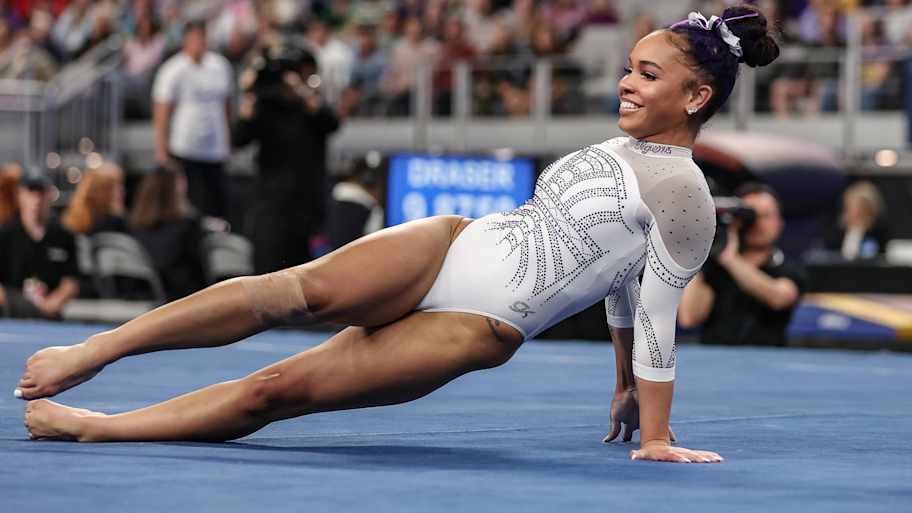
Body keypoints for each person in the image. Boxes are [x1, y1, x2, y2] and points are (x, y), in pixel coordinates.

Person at [17, 5, 780, 464]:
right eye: (630, 68)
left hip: (479, 321)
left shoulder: (685, 195)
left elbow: (653, 312)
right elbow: (618, 278)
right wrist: (619, 384)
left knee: (276, 390)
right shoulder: (621, 148)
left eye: (648, 75)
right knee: (284, 291)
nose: (626, 82)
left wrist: (655, 430)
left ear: (696, 96)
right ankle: (97, 349)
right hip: (451, 243)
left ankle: (98, 429)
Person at [233, 42, 341, 274]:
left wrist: (302, 91)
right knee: (269, 270)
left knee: (308, 272)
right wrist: (249, 98)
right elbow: (238, 139)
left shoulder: (310, 108)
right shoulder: (266, 107)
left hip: (308, 204)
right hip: (272, 205)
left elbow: (332, 123)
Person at [678, 182, 807, 346]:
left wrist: (730, 259)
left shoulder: (788, 267)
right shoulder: (714, 267)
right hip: (716, 358)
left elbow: (778, 298)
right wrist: (697, 254)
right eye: (750, 216)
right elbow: (689, 318)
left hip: (768, 358)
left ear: (780, 222)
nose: (757, 223)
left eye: (765, 216)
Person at [152, 19, 232, 218]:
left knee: (216, 205)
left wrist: (228, 139)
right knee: (190, 203)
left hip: (215, 149)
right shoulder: (173, 69)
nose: (199, 42)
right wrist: (161, 150)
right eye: (195, 38)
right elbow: (162, 112)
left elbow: (226, 105)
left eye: (202, 37)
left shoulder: (220, 65)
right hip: (185, 147)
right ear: (185, 40)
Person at [0, 168, 80, 319]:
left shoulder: (64, 236)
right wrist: (22, 305)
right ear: (20, 194)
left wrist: (54, 302)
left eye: (41, 193)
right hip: (11, 316)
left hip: (50, 317)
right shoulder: (5, 235)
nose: (36, 199)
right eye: (31, 192)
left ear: (50, 195)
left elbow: (71, 280)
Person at [128, 164, 207, 301]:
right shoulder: (189, 224)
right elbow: (200, 271)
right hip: (183, 297)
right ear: (178, 187)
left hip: (144, 295)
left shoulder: (135, 225)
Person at [822, 180, 889, 260]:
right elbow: (829, 253)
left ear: (867, 208)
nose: (850, 209)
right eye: (849, 205)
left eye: (856, 205)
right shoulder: (837, 230)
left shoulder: (878, 231)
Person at [61, 164, 127, 236]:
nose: (122, 191)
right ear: (100, 191)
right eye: (115, 186)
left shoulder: (117, 220)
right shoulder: (114, 223)